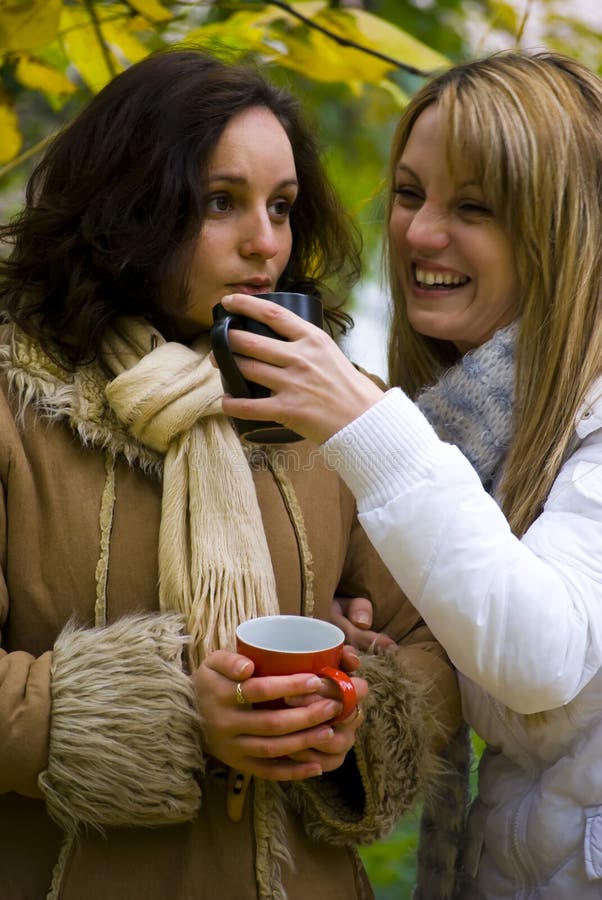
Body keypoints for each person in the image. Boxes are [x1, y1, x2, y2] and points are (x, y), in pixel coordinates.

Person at [0, 48, 462, 900]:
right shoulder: (14, 403)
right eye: (221, 201)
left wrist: (349, 712)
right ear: (127, 204)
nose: (266, 243)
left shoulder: (334, 404)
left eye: (281, 206)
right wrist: (169, 713)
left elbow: (437, 642)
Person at [216, 49, 602, 898]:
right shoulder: (480, 420)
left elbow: (539, 656)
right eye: (408, 193)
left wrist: (365, 425)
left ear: (561, 229)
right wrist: (368, 638)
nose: (420, 234)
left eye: (474, 207)